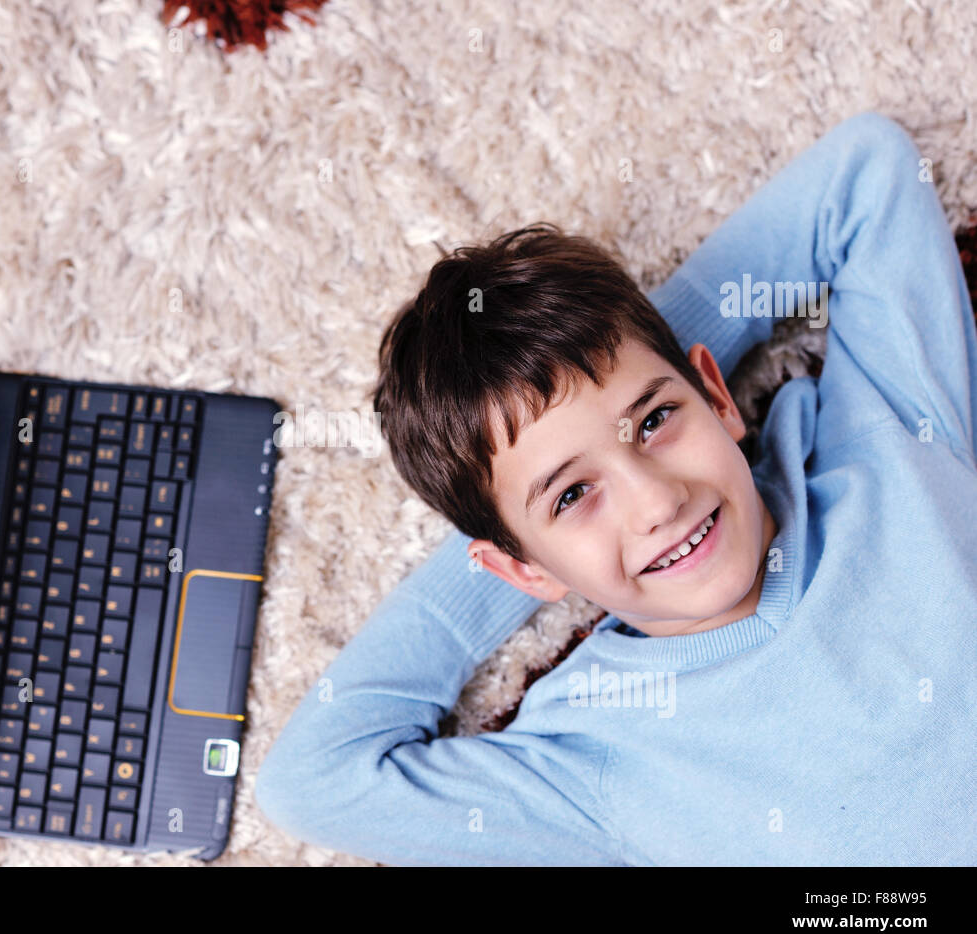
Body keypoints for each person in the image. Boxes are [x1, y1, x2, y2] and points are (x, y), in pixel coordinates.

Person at [254, 111, 977, 865]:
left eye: (658, 419)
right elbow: (312, 779)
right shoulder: (596, 756)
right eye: (571, 495)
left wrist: (620, 367)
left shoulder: (887, 449)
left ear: (717, 396)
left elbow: (866, 175)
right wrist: (524, 541)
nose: (658, 501)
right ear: (518, 571)